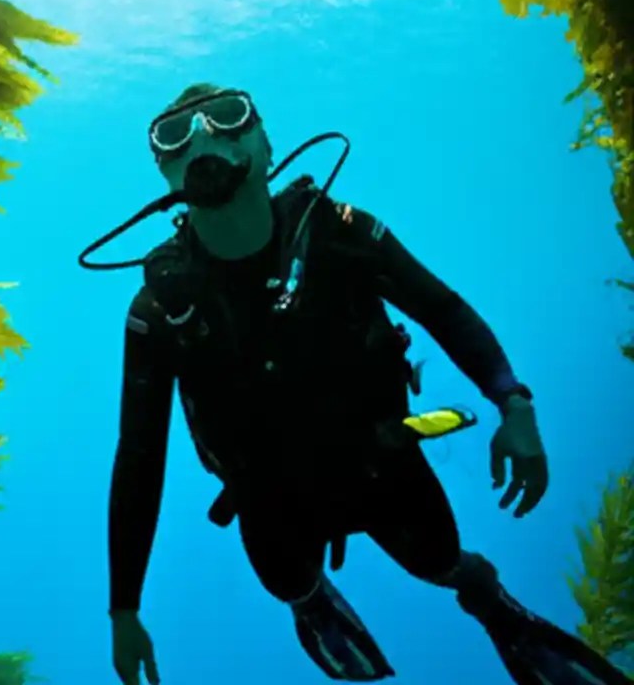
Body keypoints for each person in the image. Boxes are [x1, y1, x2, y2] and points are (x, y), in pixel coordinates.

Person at [88, 82, 633, 685]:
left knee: (439, 559)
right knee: (286, 579)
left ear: (266, 143)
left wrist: (513, 401)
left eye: (227, 117)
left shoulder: (344, 233)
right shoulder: (160, 308)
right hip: (268, 492)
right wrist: (124, 608)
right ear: (165, 173)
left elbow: (443, 309)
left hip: (378, 458)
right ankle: (312, 602)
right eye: (173, 136)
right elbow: (139, 456)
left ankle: (488, 599)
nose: (203, 140)